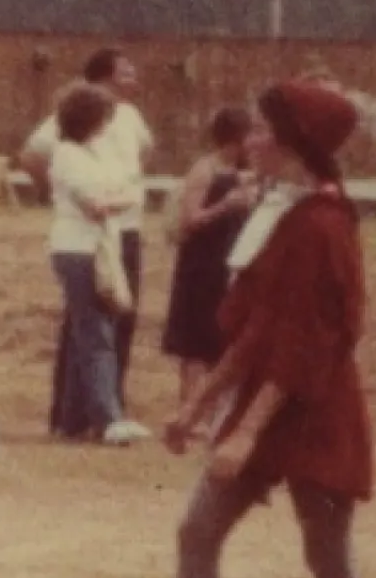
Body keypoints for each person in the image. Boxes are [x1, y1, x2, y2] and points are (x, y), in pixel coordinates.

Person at [117, 79, 373, 578]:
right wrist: (200, 405)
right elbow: (257, 330)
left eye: (261, 130)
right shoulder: (288, 214)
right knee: (197, 530)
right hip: (265, 397)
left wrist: (245, 432)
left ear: (292, 144)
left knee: (326, 552)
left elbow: (303, 348)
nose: (249, 139)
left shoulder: (321, 226)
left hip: (310, 405)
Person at [24, 47, 154, 404]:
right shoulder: (75, 112)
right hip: (90, 228)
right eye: (126, 72)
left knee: (122, 315)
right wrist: (60, 192)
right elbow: (33, 154)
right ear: (106, 76)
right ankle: (76, 408)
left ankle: (111, 398)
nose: (134, 79)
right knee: (87, 320)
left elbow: (145, 152)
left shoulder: (130, 116)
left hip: (125, 226)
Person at [43, 84, 148, 446]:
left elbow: (124, 188)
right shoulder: (68, 155)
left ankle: (72, 419)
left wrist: (121, 196)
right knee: (97, 334)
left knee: (83, 332)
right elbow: (96, 204)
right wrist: (125, 198)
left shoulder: (93, 154)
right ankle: (108, 417)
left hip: (99, 246)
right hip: (78, 249)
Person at [161, 107, 259, 412]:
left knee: (221, 337)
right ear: (235, 139)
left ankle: (213, 410)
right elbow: (191, 219)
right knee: (195, 343)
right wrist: (225, 205)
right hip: (201, 266)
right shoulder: (204, 170)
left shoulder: (242, 173)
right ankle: (188, 407)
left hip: (226, 264)